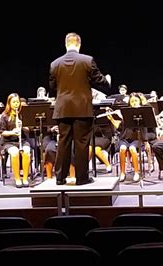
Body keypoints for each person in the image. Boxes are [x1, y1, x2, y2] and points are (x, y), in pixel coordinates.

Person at [49, 32, 111, 186]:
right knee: (82, 143)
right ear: (79, 44)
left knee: (63, 142)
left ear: (65, 44)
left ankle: (60, 178)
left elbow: (52, 87)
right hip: (82, 109)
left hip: (62, 109)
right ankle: (82, 178)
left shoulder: (55, 64)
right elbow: (100, 81)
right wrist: (108, 81)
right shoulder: (87, 60)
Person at [0, 93, 32, 188]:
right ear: (9, 103)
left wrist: (23, 126)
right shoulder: (4, 116)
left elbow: (29, 129)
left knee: (26, 152)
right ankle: (17, 178)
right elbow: (2, 132)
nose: (16, 104)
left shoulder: (23, 114)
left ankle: (25, 178)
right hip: (8, 141)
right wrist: (13, 132)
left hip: (22, 140)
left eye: (17, 102)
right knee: (15, 153)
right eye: (14, 102)